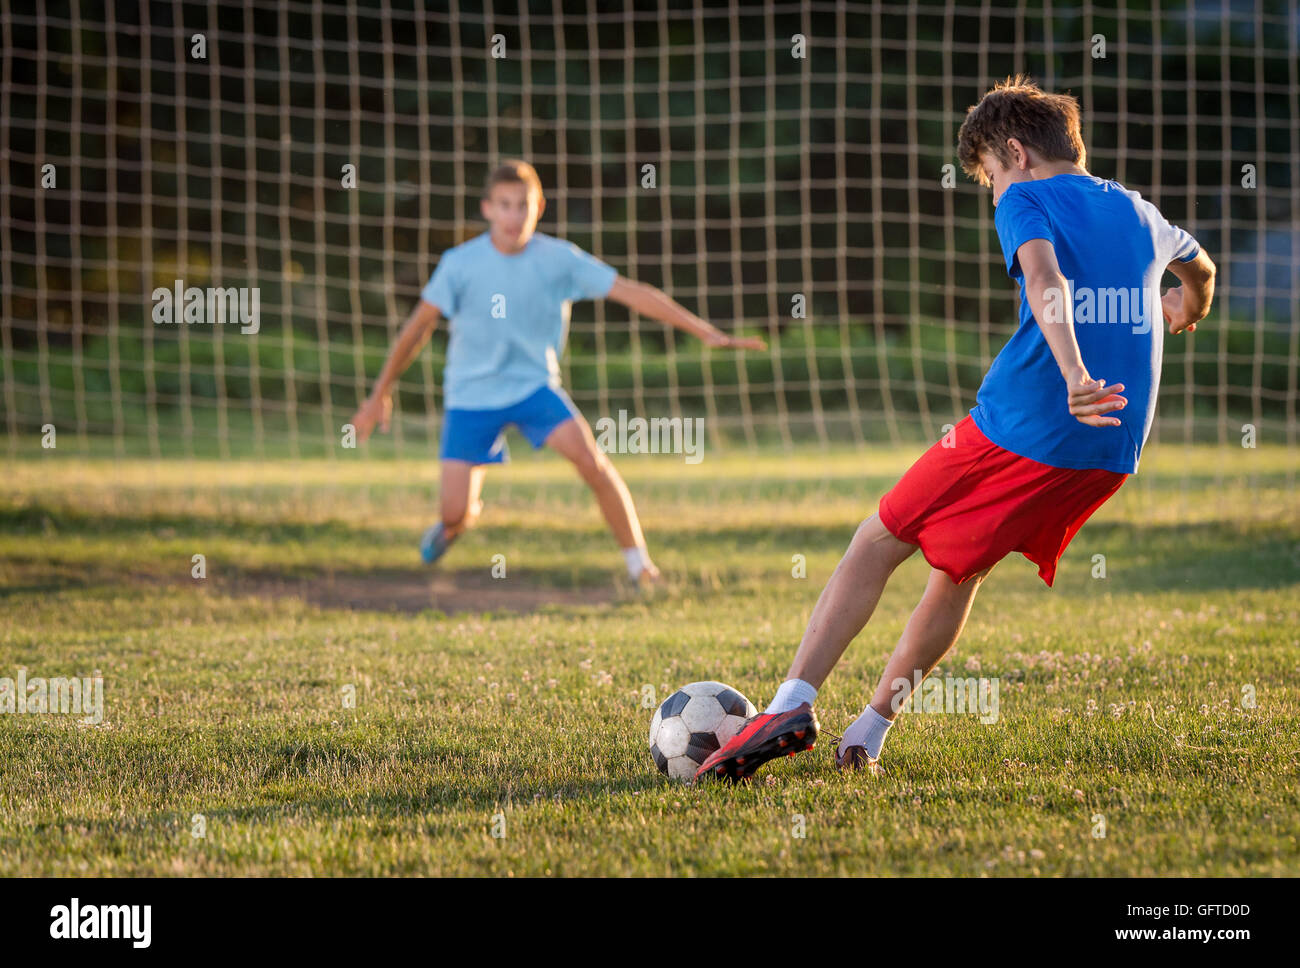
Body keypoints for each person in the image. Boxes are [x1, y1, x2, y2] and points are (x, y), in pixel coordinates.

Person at [696, 75, 1216, 782]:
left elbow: (1046, 280)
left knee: (877, 539)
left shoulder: (1027, 197)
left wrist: (1072, 374)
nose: (996, 191)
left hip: (1026, 426)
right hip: (1108, 456)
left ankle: (792, 703)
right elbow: (1203, 268)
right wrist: (1185, 305)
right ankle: (868, 732)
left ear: (1015, 153)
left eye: (993, 176)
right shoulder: (1140, 210)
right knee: (958, 571)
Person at [349, 159, 764, 584]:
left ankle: (641, 568)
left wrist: (704, 330)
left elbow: (631, 292)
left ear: (539, 207)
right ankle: (456, 523)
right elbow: (417, 327)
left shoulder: (559, 259)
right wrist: (379, 392)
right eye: (505, 205)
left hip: (533, 388)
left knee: (592, 462)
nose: (514, 216)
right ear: (488, 209)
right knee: (455, 513)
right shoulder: (460, 264)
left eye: (523, 205)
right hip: (470, 395)